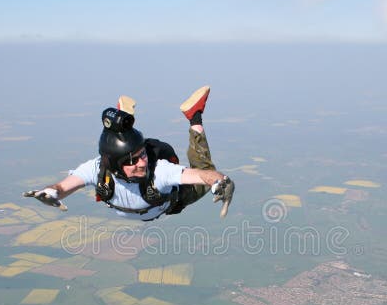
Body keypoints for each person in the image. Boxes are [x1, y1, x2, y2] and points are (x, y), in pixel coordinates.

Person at [24, 86, 234, 220]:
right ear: (114, 164)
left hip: (172, 202)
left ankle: (194, 116)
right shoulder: (96, 170)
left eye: (142, 154)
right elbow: (61, 187)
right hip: (153, 207)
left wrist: (221, 182)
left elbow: (204, 175)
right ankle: (122, 121)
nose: (142, 163)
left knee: (205, 166)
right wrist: (49, 193)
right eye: (132, 160)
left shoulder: (159, 172)